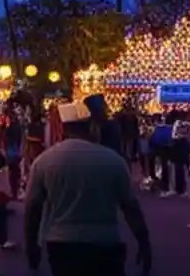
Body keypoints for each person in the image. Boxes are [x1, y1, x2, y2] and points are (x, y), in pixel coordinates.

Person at [24, 101, 152, 276]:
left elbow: (33, 209)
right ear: (92, 127)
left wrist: (32, 246)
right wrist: (144, 243)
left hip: (62, 243)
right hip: (105, 241)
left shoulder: (45, 161)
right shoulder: (113, 160)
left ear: (63, 128)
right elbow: (131, 207)